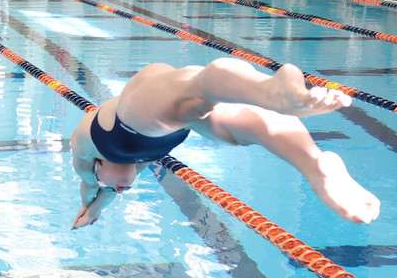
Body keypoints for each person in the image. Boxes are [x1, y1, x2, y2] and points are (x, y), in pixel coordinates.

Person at [67, 59, 379, 229]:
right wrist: (94, 212)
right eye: (124, 190)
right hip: (171, 128)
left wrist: (89, 207)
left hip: (130, 117)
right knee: (243, 129)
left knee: (198, 89)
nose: (121, 190)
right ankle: (314, 165)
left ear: (99, 169)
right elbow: (107, 194)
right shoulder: (140, 164)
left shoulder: (87, 148)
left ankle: (272, 92)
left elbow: (94, 190)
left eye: (116, 188)